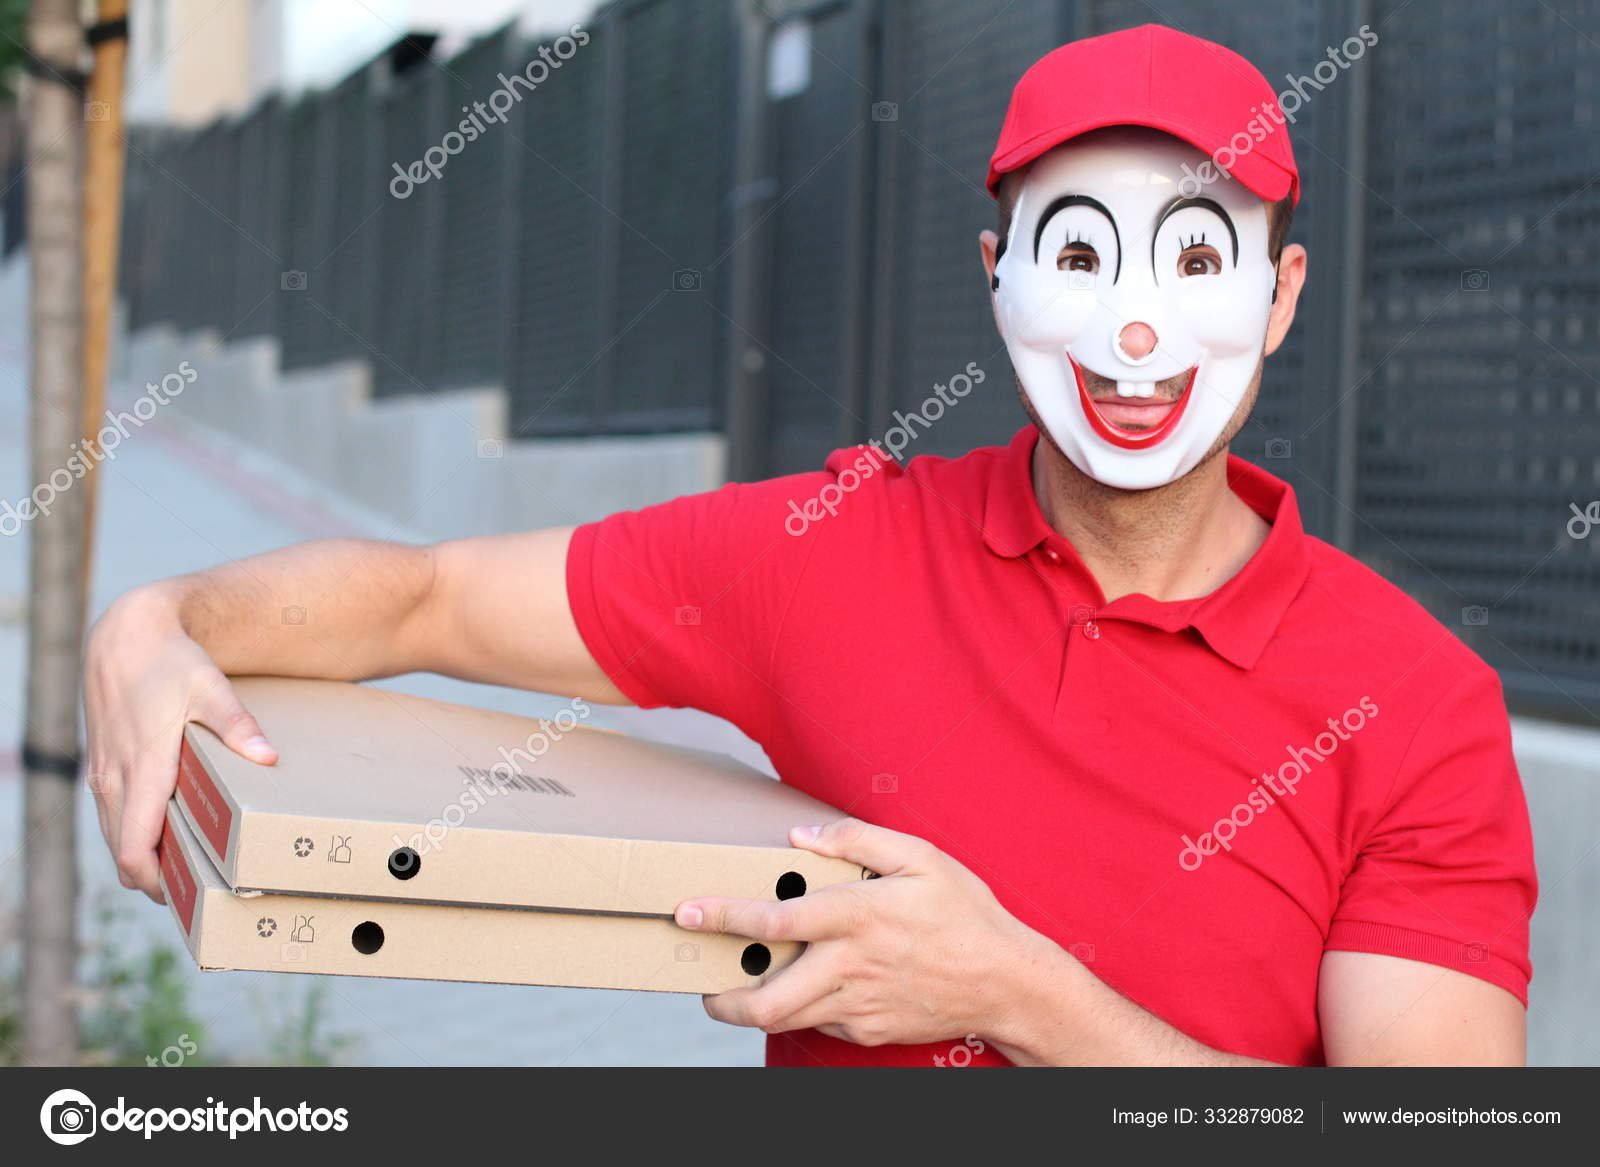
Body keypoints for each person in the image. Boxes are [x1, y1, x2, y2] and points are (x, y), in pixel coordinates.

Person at [85, 24, 1536, 1066]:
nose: (1134, 329)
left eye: (1197, 258)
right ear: (998, 278)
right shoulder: (839, 550)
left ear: (1280, 298)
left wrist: (1023, 998)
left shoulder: (1414, 709)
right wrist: (157, 624)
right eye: (1081, 254)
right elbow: (421, 596)